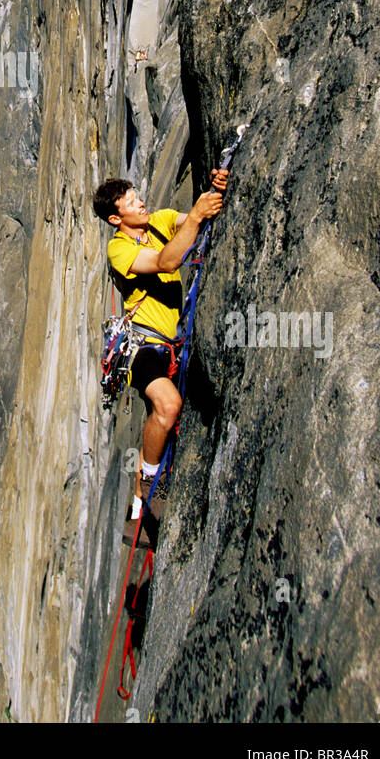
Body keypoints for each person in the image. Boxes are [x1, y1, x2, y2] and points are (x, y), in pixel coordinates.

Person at [92, 168, 229, 545]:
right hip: (141, 346)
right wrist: (198, 216)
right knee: (168, 406)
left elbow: (192, 218)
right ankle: (146, 486)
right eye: (132, 202)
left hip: (172, 343)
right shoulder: (118, 249)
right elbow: (167, 261)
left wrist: (215, 187)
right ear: (116, 218)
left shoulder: (162, 221)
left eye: (138, 196)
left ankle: (145, 488)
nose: (142, 202)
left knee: (169, 411)